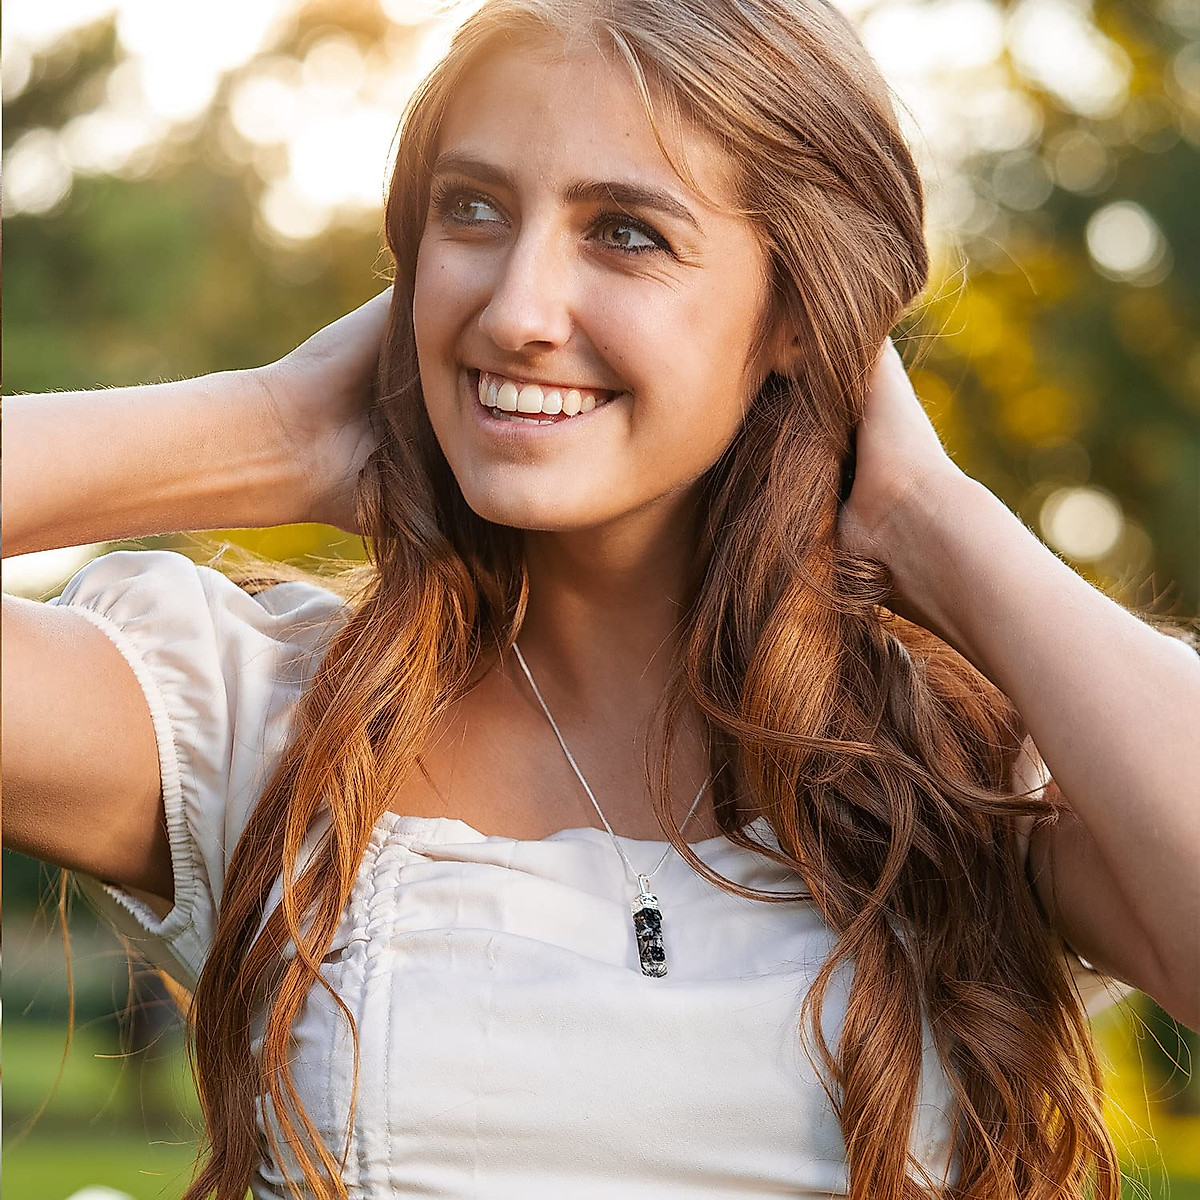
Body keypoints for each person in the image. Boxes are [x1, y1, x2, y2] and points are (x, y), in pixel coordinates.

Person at [3, 0, 1198, 1196]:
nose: (516, 312)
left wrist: (932, 518)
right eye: (472, 210)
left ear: (797, 311)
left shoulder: (964, 772)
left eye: (625, 232)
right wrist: (273, 428)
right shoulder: (253, 723)